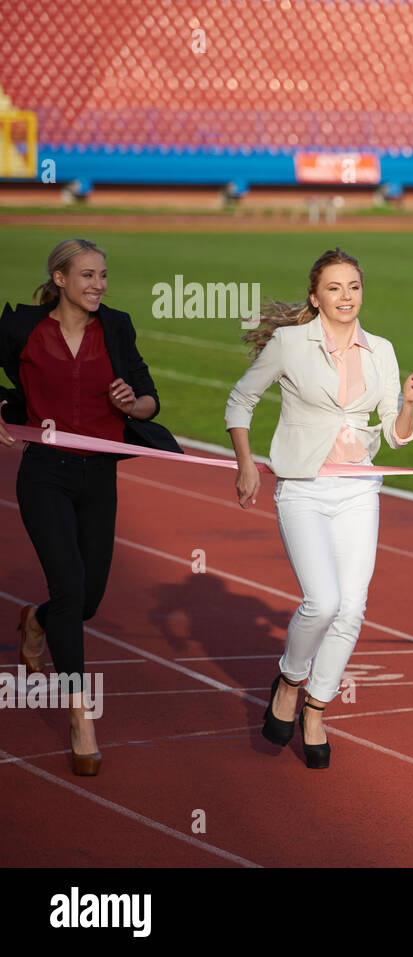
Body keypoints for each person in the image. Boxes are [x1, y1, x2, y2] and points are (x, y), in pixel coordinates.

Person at [225, 248, 413, 770]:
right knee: (321, 601)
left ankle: (316, 707)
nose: (346, 297)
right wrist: (246, 462)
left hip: (359, 489)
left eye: (354, 287)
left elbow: (397, 435)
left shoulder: (381, 349)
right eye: (335, 288)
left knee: (352, 609)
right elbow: (240, 400)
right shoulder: (291, 343)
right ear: (315, 297)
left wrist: (407, 401)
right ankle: (290, 680)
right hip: (302, 487)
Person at [0, 238, 179, 776]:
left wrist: (132, 402)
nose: (98, 285)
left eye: (103, 275)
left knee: (88, 601)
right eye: (86, 276)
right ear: (59, 280)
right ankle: (81, 715)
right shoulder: (24, 329)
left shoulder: (117, 328)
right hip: (45, 475)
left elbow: (149, 397)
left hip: (99, 477)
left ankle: (38, 620)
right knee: (71, 589)